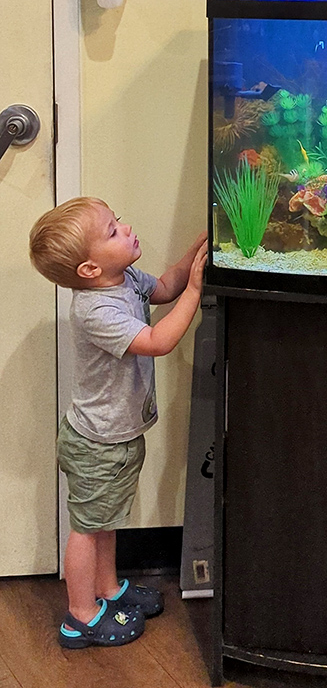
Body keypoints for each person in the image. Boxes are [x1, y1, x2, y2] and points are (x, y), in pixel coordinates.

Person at [29, 197, 207, 649]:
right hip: (97, 444)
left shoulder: (124, 277)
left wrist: (195, 253)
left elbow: (164, 286)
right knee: (88, 528)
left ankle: (108, 590)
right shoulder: (95, 311)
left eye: (118, 220)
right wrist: (196, 293)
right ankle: (81, 615)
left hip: (118, 436)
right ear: (89, 270)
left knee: (106, 520)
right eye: (112, 231)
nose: (125, 229)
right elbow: (158, 340)